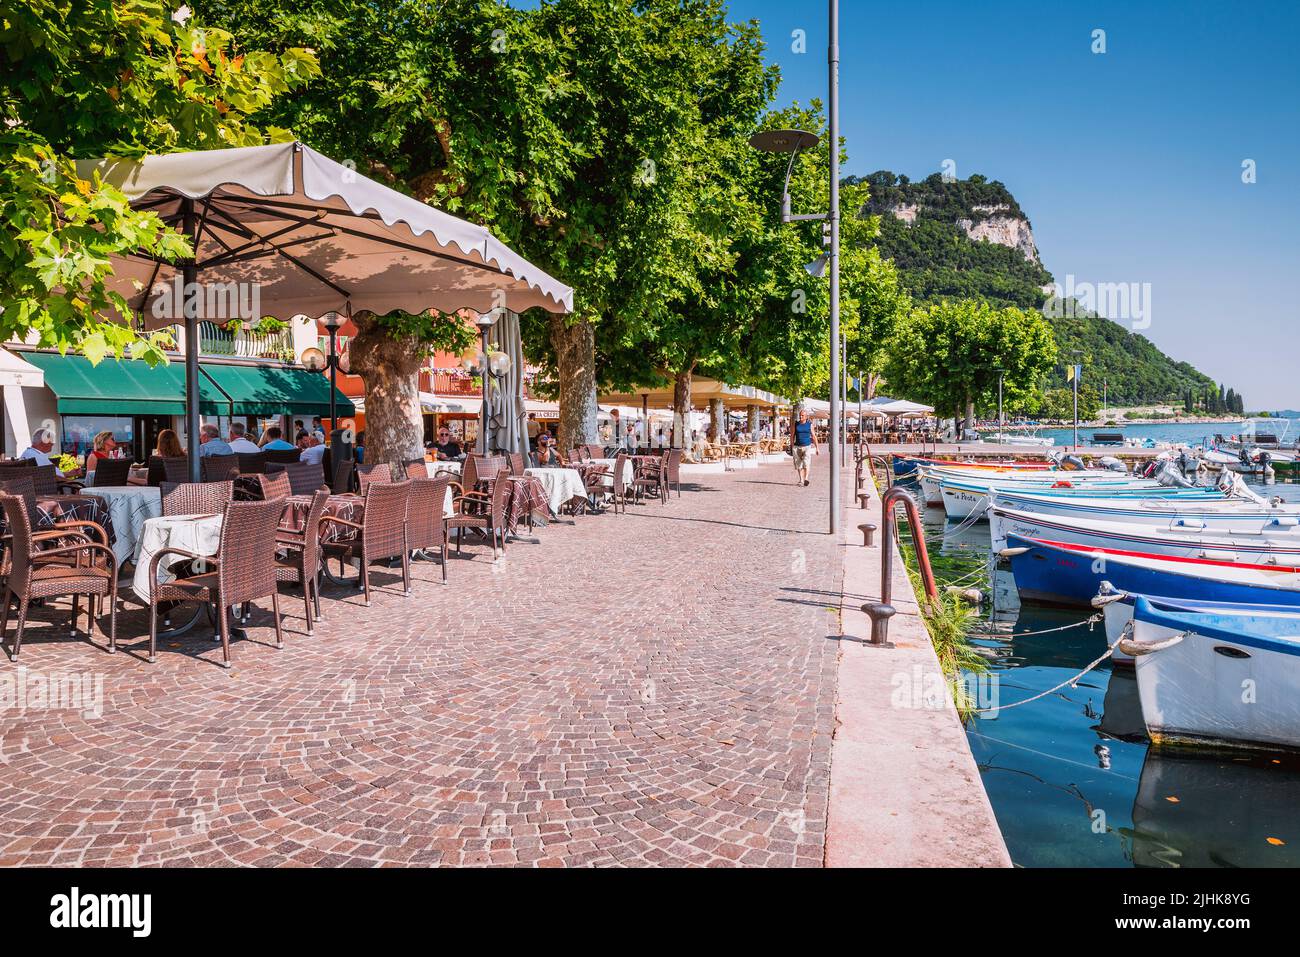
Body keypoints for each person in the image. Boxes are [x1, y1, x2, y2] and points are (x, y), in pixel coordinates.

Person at [792, 407, 818, 487]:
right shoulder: (796, 424)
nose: (801, 417)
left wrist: (817, 448)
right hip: (797, 446)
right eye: (800, 416)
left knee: (806, 463)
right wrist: (792, 445)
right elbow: (792, 435)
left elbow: (813, 436)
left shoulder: (809, 425)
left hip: (807, 446)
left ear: (806, 416)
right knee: (798, 464)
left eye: (802, 416)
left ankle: (806, 478)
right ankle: (801, 480)